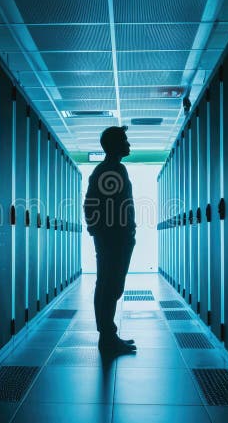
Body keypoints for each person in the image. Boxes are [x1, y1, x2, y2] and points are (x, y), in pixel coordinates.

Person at [84, 126, 137, 355]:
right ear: (115, 145)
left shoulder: (112, 169)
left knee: (109, 285)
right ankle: (107, 338)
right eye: (124, 140)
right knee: (110, 286)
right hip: (113, 239)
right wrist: (99, 233)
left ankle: (108, 336)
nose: (128, 144)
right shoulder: (109, 170)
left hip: (116, 238)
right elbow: (90, 204)